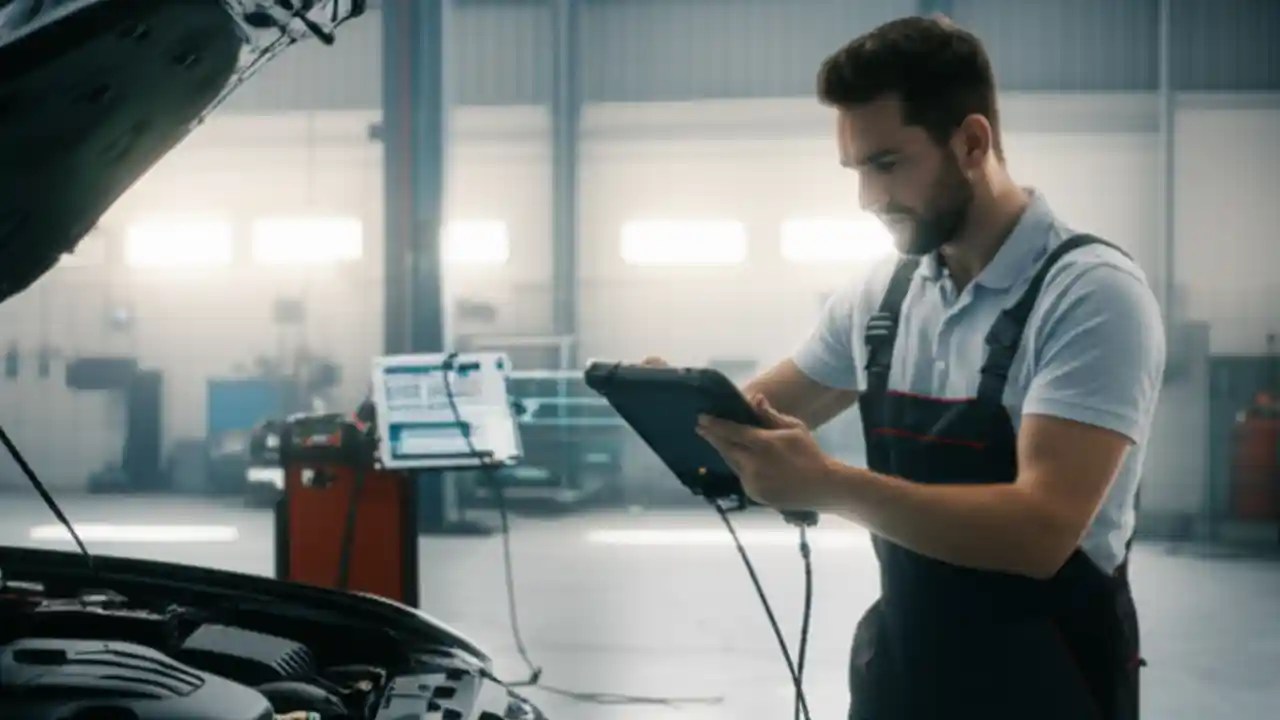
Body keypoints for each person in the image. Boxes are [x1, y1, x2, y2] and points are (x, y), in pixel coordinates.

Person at [651, 15, 1166, 720]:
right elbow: (767, 411)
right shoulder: (882, 296)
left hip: (1048, 684)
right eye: (857, 171)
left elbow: (1040, 531)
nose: (868, 199)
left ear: (972, 143)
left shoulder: (1090, 294)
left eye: (887, 164)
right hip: (904, 673)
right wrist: (681, 404)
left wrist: (827, 484)